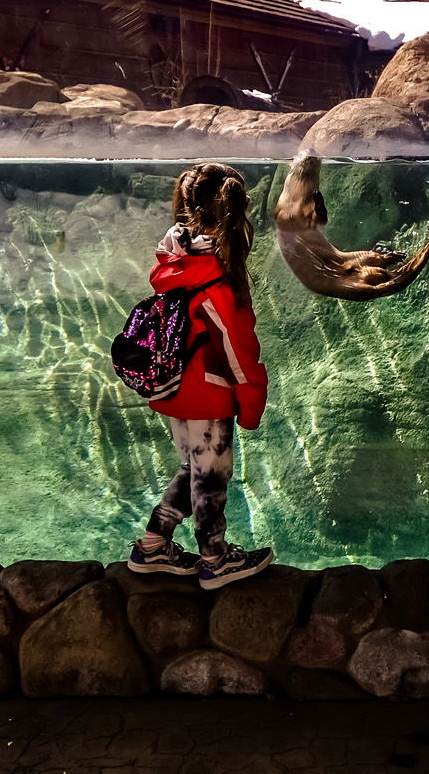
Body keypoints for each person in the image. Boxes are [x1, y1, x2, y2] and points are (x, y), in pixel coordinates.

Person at [126, 162, 273, 590]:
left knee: (192, 469)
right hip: (208, 395)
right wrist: (251, 400)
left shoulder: (176, 265)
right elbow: (236, 349)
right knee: (210, 478)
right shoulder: (215, 281)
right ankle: (215, 559)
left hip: (173, 389)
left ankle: (153, 546)